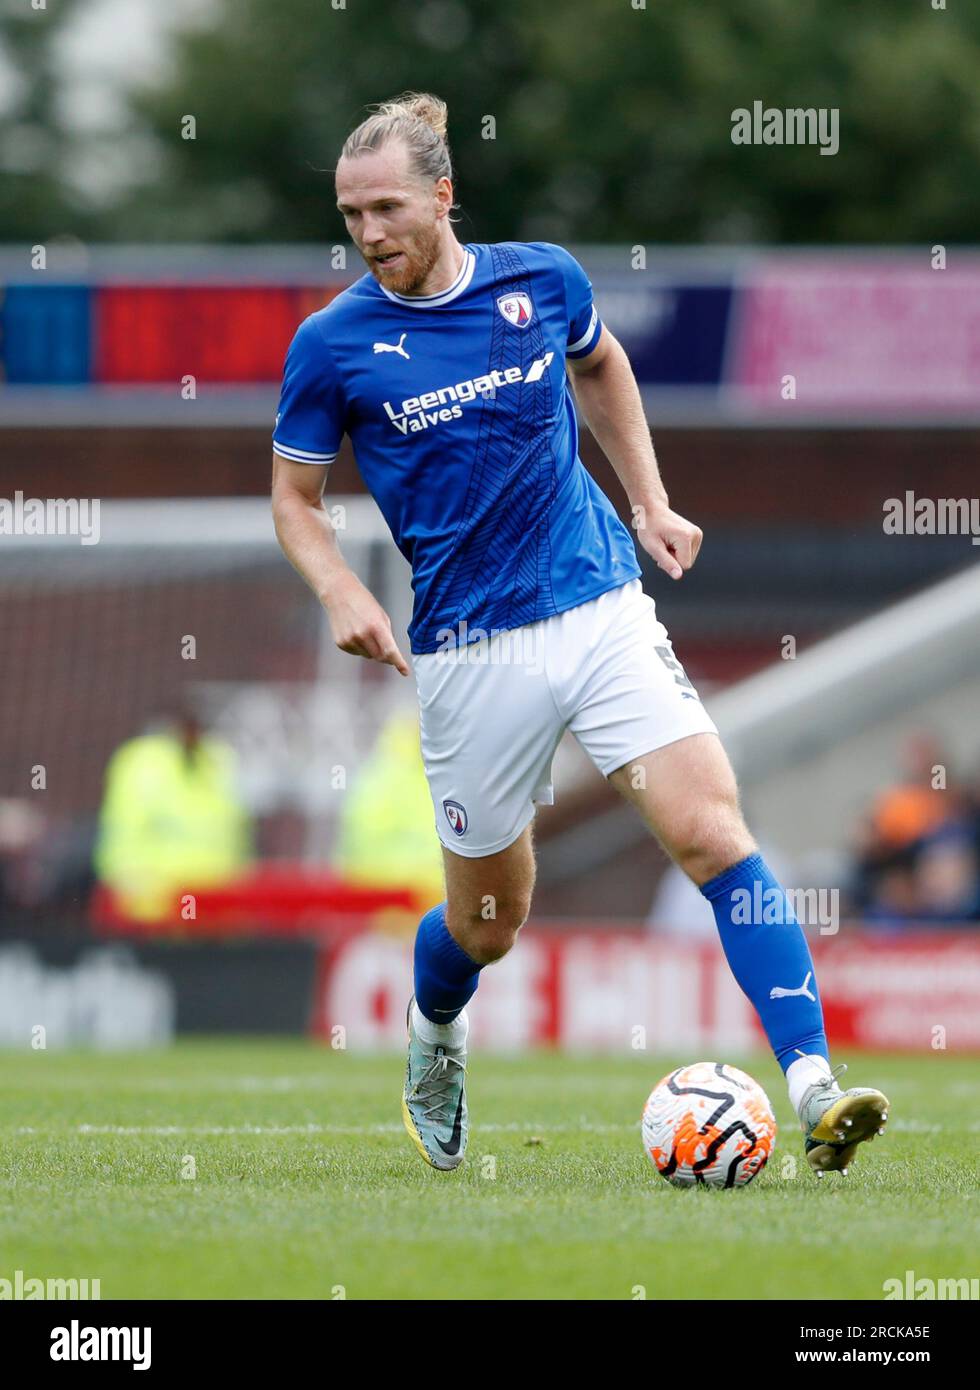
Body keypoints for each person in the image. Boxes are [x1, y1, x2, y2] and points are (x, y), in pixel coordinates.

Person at [271, 91, 889, 1177]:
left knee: (709, 833)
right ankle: (435, 1034)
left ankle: (814, 1088)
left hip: (598, 605)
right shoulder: (332, 346)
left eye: (386, 209)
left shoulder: (538, 280)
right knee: (488, 924)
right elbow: (293, 498)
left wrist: (647, 500)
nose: (368, 235)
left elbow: (599, 364)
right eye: (349, 214)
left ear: (443, 196)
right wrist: (337, 591)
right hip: (466, 649)